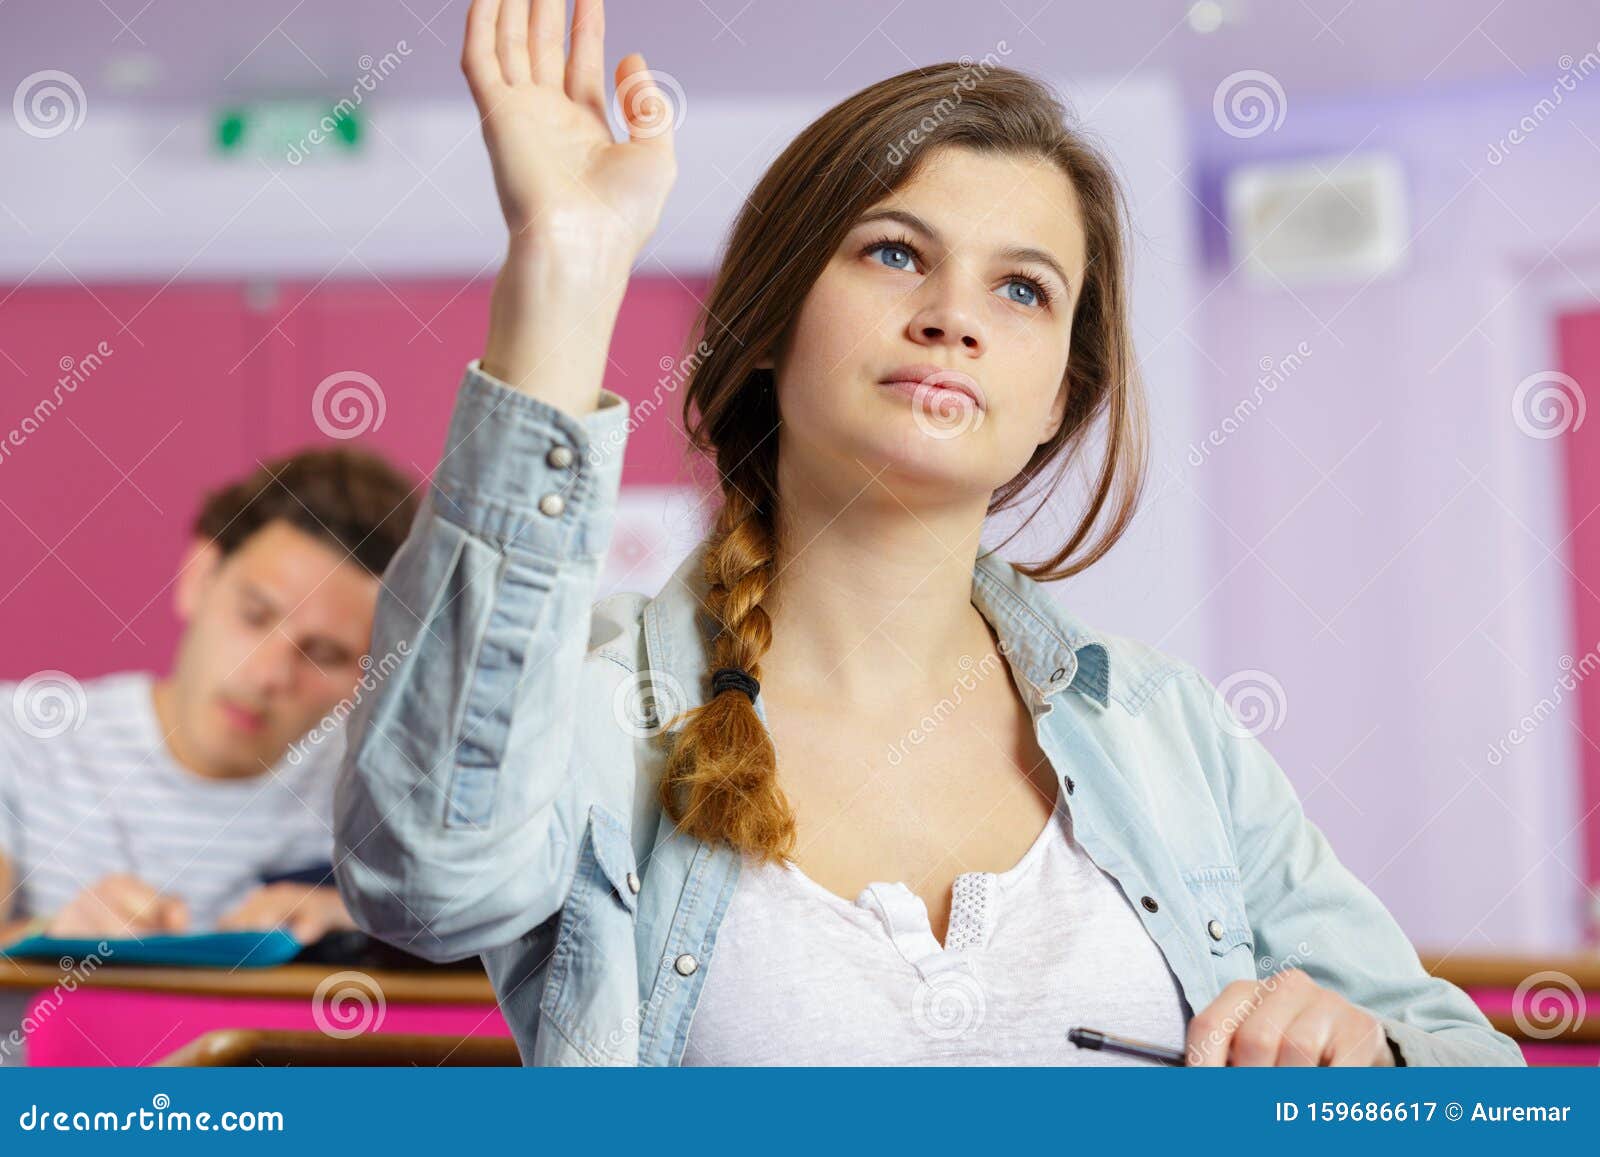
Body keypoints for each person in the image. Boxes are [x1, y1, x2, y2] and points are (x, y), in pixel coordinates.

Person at [333, 0, 1523, 1067]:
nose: (954, 316)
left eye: (1023, 289)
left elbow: (1474, 1077)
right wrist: (566, 268)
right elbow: (424, 882)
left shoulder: (1169, 734)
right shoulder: (596, 705)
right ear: (766, 326)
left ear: (1058, 392)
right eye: (894, 253)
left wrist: (1367, 1057)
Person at [0, 447, 418, 947]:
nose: (268, 674)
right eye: (254, 615)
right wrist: (48, 939)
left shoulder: (381, 796)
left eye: (324, 654)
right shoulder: (20, 738)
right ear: (198, 577)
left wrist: (368, 930)